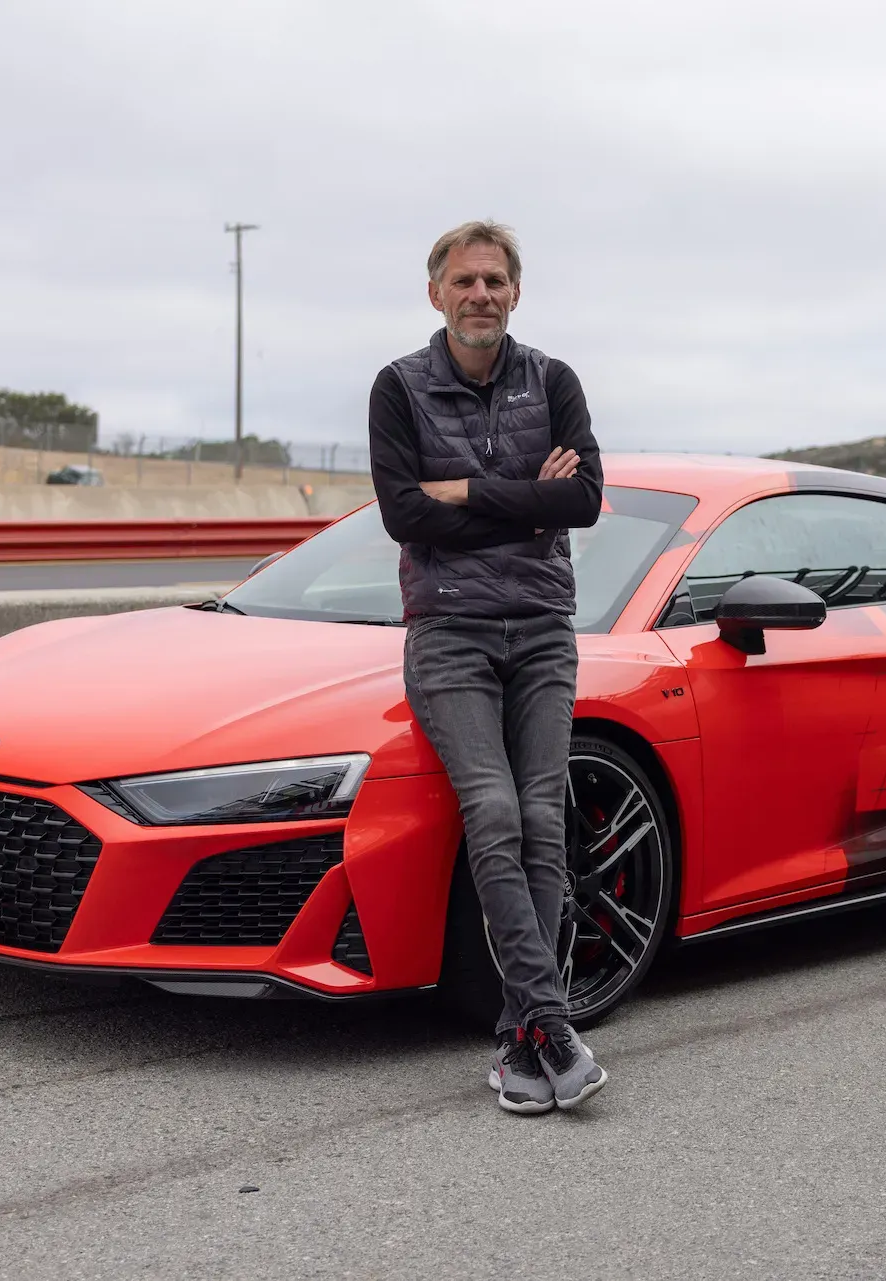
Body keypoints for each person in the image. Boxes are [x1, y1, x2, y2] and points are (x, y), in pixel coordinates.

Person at [368, 220, 608, 1114]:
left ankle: (522, 1037)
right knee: (496, 808)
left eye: (496, 280)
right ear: (437, 293)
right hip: (451, 632)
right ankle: (548, 1020)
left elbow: (582, 499)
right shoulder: (398, 388)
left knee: (544, 819)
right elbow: (402, 516)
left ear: (516, 292)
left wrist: (465, 491)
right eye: (465, 281)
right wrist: (527, 502)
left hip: (544, 626)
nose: (482, 294)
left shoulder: (554, 380)